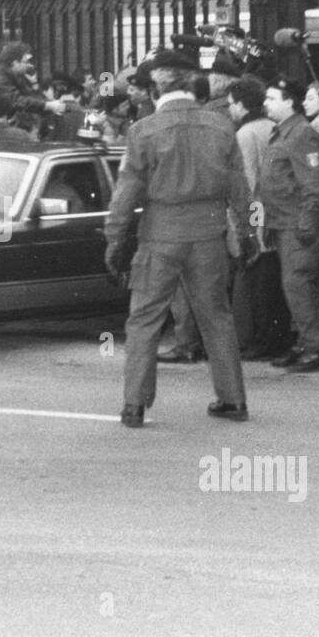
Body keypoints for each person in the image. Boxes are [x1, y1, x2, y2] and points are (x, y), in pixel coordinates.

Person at [104, 48, 253, 427]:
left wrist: (115, 238)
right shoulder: (222, 127)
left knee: (144, 319)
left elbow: (127, 192)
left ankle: (135, 404)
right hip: (208, 233)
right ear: (192, 84)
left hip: (161, 234)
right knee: (216, 317)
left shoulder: (143, 131)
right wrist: (248, 233)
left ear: (156, 87)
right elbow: (241, 189)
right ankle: (232, 399)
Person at [261, 78, 319, 372]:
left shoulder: (302, 134)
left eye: (272, 98)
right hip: (282, 222)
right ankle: (304, 342)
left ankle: (315, 347)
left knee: (298, 284)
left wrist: (306, 224)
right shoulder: (282, 133)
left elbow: (313, 185)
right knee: (295, 287)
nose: (266, 103)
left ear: (290, 101)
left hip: (297, 225)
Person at [227, 76, 291, 359]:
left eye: (231, 104)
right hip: (278, 216)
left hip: (259, 218)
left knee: (258, 285)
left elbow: (248, 185)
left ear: (241, 106)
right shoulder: (273, 128)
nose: (229, 109)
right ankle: (277, 337)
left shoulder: (244, 135)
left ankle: (262, 341)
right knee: (275, 284)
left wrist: (251, 229)